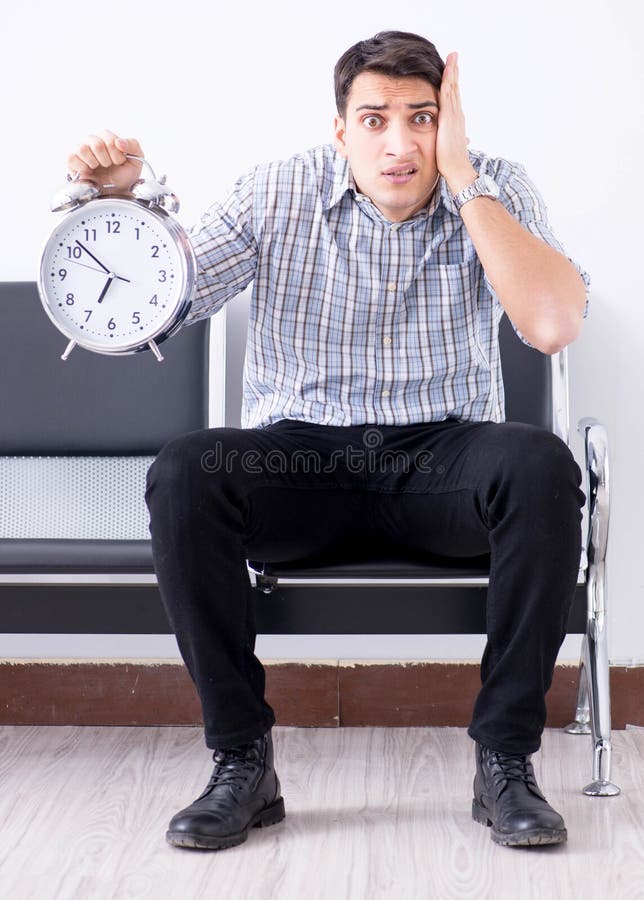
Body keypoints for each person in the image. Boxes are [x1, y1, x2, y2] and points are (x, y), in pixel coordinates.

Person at [67, 31, 588, 850]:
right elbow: (155, 314)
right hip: (300, 460)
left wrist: (463, 178)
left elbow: (553, 325)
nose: (399, 143)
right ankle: (242, 760)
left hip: (444, 460)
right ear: (340, 129)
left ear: (447, 122)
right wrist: (124, 210)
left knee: (538, 462)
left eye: (422, 118)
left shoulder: (491, 185)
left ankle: (505, 761)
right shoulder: (274, 192)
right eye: (375, 119)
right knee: (186, 471)